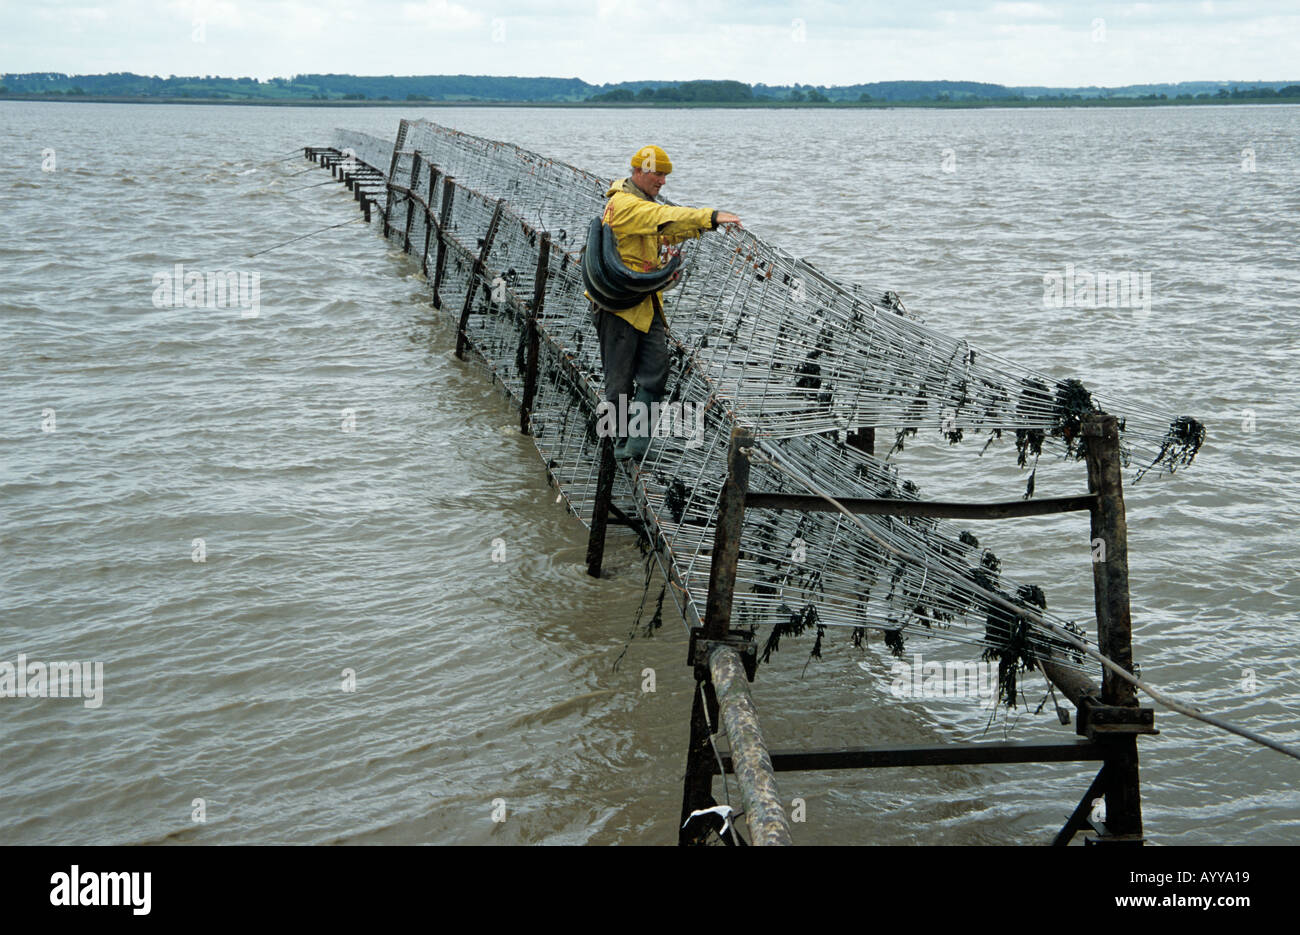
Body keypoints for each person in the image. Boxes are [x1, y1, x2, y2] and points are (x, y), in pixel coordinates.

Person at [590, 144, 741, 460]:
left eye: (665, 175)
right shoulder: (624, 204)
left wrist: (704, 228)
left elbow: (666, 232)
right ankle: (614, 450)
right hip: (618, 307)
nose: (662, 181)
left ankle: (637, 447)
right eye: (658, 174)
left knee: (657, 372)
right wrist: (711, 216)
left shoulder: (643, 203)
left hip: (647, 304)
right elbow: (662, 217)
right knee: (617, 384)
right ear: (639, 171)